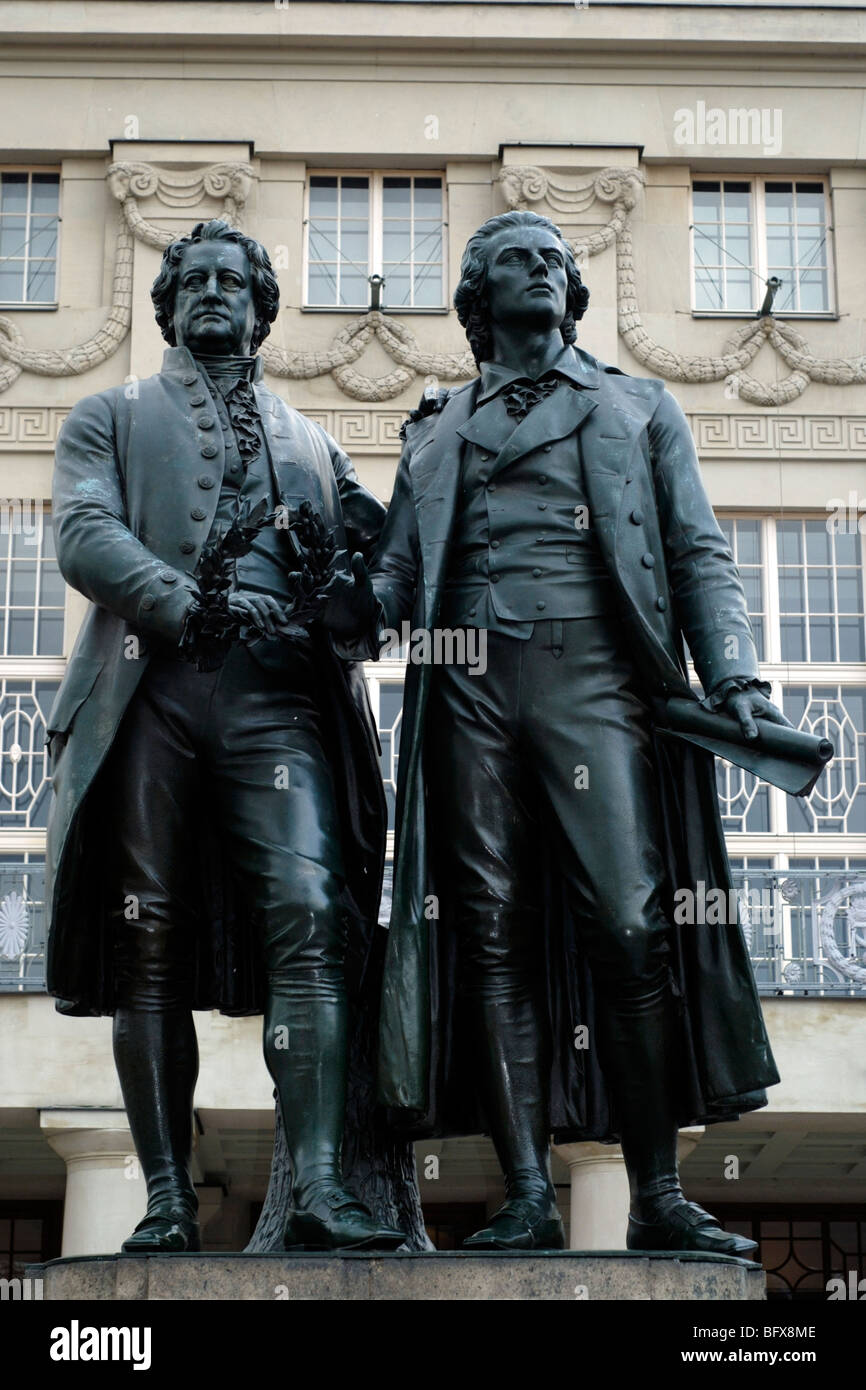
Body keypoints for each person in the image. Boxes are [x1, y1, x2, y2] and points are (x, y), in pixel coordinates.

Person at [329, 210, 787, 1254]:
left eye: (551, 260)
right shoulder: (436, 430)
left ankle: (656, 1193)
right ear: (476, 299)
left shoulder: (636, 404)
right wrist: (347, 603)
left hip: (593, 677)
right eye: (510, 262)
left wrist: (734, 674)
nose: (536, 271)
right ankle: (527, 1193)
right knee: (489, 935)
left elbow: (695, 551)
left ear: (570, 292)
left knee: (631, 929)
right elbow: (397, 579)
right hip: (467, 685)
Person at [45, 219, 405, 1254]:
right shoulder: (106, 414)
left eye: (231, 281)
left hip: (277, 700)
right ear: (167, 305)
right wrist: (178, 600)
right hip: (149, 687)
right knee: (145, 936)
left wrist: (359, 592)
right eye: (192, 280)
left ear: (260, 308)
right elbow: (83, 533)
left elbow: (378, 564)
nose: (211, 293)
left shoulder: (315, 440)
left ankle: (322, 1192)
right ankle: (164, 1197)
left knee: (307, 913)